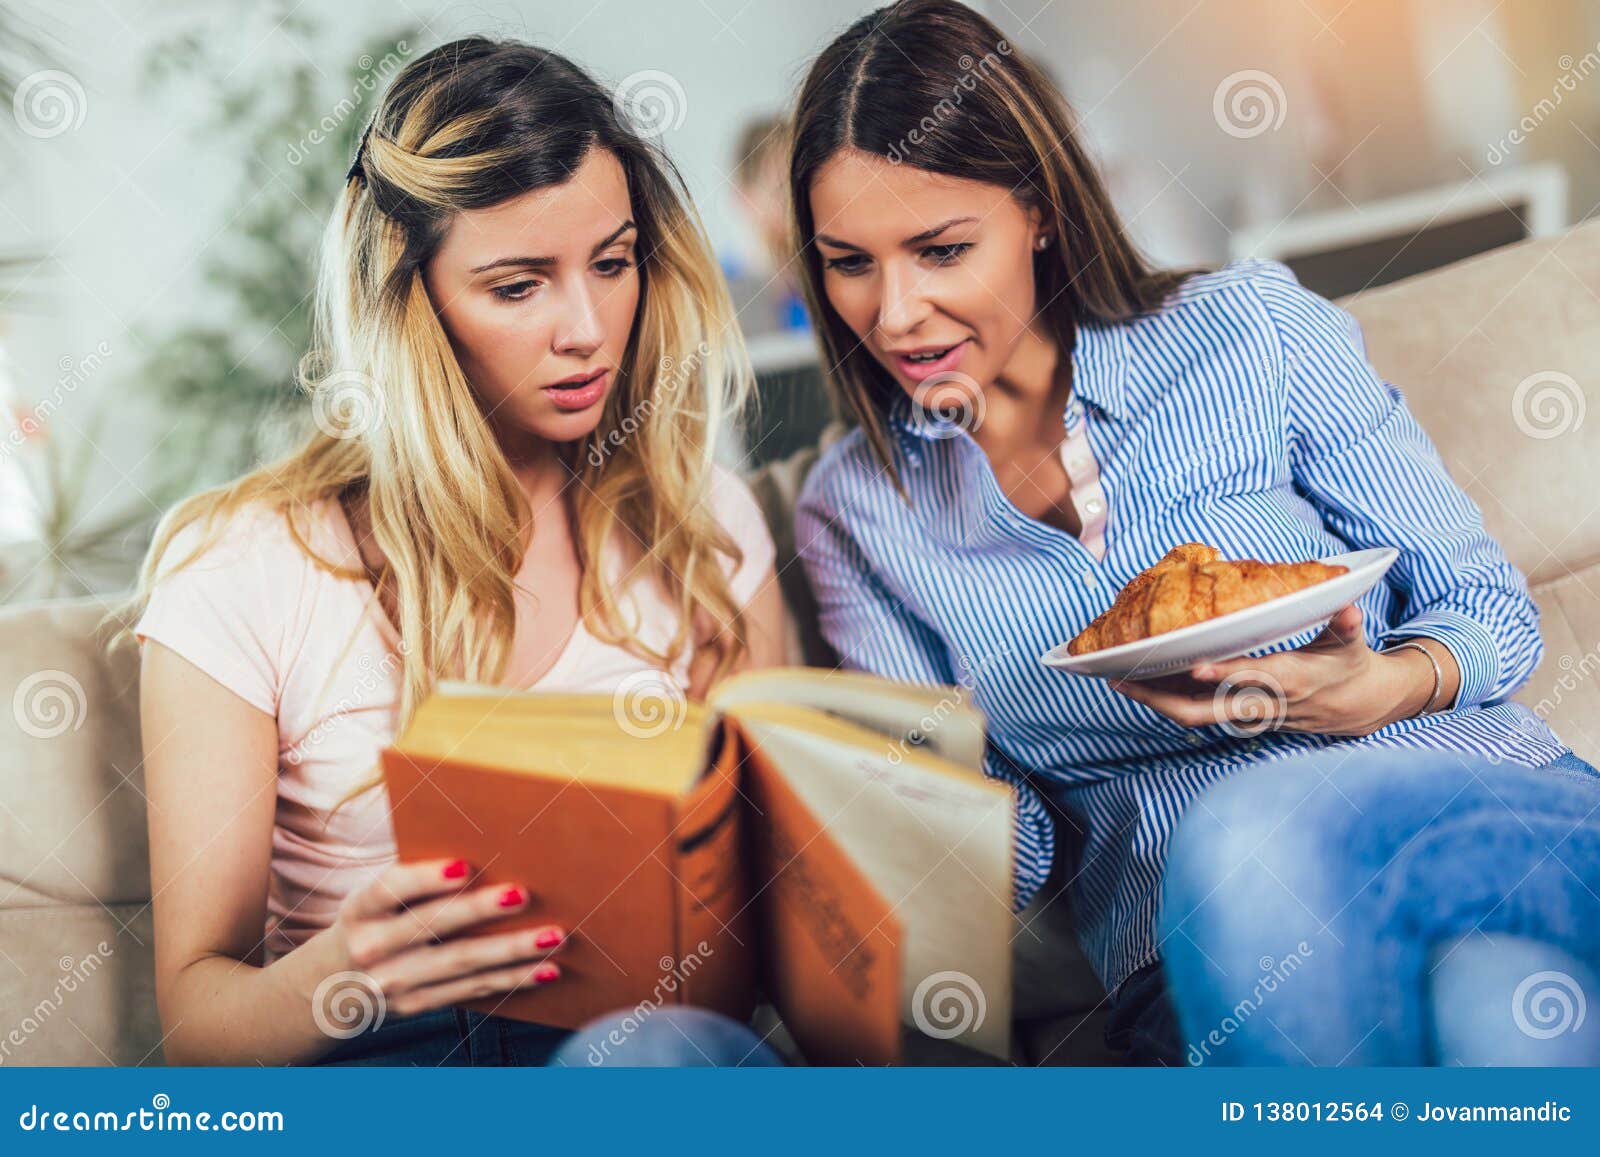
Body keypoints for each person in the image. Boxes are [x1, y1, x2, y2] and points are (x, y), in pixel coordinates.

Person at [789, 0, 1600, 1065]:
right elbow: (1008, 854)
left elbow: (1489, 609)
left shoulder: (1248, 330)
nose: (893, 314)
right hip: (1185, 958)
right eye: (849, 262)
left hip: (1462, 803)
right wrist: (893, 802)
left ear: (1037, 210)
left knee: (1265, 829)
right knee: (1505, 1009)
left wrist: (1382, 686)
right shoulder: (856, 510)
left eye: (940, 249)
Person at [111, 36, 786, 1067]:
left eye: (612, 264)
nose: (587, 327)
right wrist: (346, 968)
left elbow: (751, 951)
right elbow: (198, 1020)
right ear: (409, 300)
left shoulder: (704, 529)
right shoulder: (243, 567)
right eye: (517, 286)